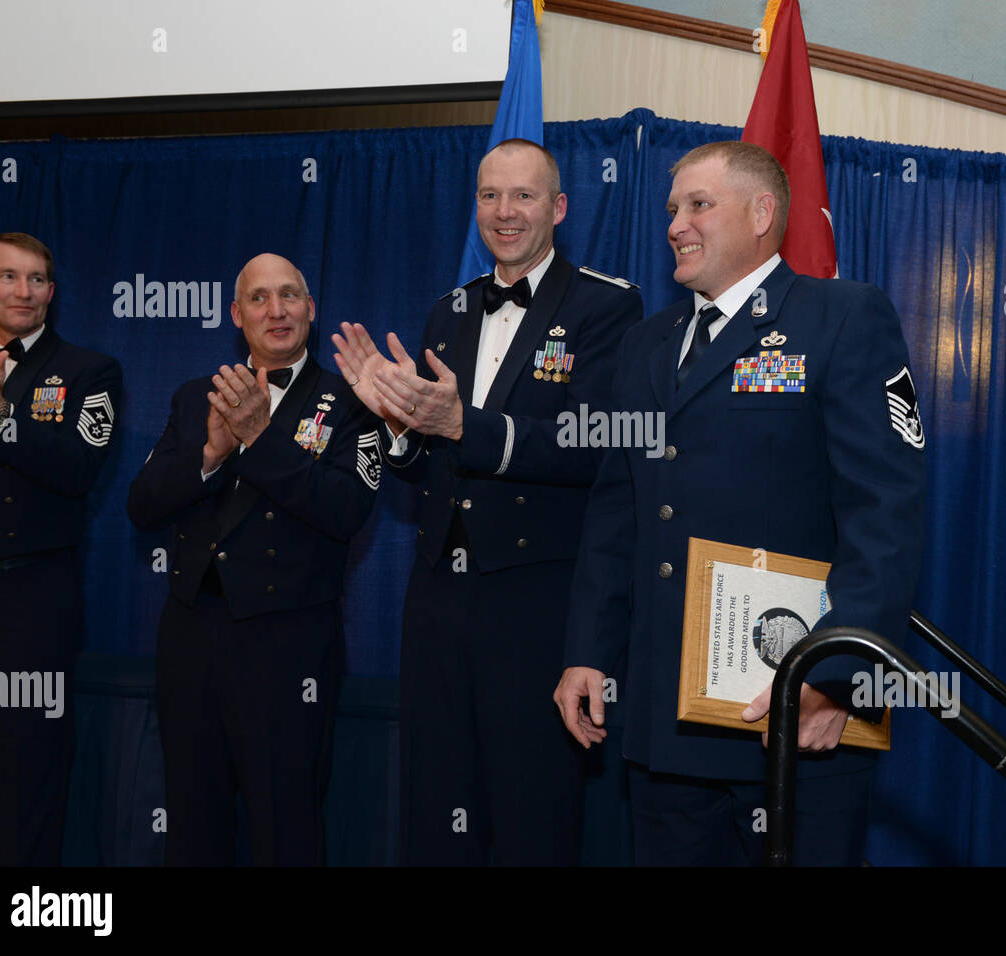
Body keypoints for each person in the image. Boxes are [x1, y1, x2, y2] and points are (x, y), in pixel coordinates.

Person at [554, 141, 926, 866]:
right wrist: (587, 654)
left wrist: (837, 680)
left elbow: (885, 513)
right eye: (672, 209)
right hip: (667, 720)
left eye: (698, 205)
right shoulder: (645, 345)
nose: (675, 225)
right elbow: (617, 514)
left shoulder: (842, 318)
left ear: (762, 214)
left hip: (796, 718)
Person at [333, 138, 642, 865]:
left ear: (559, 208)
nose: (505, 212)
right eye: (490, 196)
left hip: (537, 601)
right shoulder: (448, 310)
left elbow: (595, 445)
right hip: (438, 597)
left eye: (524, 196)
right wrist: (399, 428)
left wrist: (460, 425)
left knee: (532, 810)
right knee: (436, 806)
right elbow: (430, 461)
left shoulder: (607, 306)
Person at [128, 253, 381, 865]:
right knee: (192, 818)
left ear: (311, 310)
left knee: (285, 822)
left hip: (289, 641)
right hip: (193, 636)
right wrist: (211, 454)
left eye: (290, 295)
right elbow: (141, 506)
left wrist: (260, 439)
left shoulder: (351, 399)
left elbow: (345, 510)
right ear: (236, 315)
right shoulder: (196, 397)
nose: (277, 311)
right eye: (260, 299)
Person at [0, 232, 122, 865]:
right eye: (8, 277)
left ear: (52, 293)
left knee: (24, 778)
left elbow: (78, 467)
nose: (23, 291)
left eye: (36, 280)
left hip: (28, 603)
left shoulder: (89, 371)